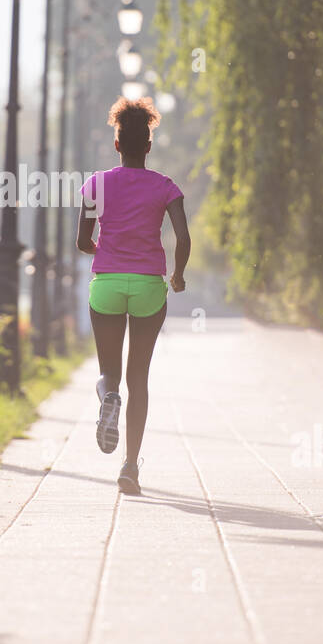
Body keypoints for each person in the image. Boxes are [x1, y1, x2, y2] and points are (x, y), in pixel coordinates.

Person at [77, 96, 190, 495]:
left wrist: (105, 251)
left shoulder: (96, 184)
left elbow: (82, 241)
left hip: (106, 284)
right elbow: (183, 237)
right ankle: (129, 468)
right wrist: (177, 275)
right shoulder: (165, 187)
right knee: (138, 377)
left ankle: (108, 396)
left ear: (117, 144)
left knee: (110, 372)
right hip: (147, 287)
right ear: (148, 146)